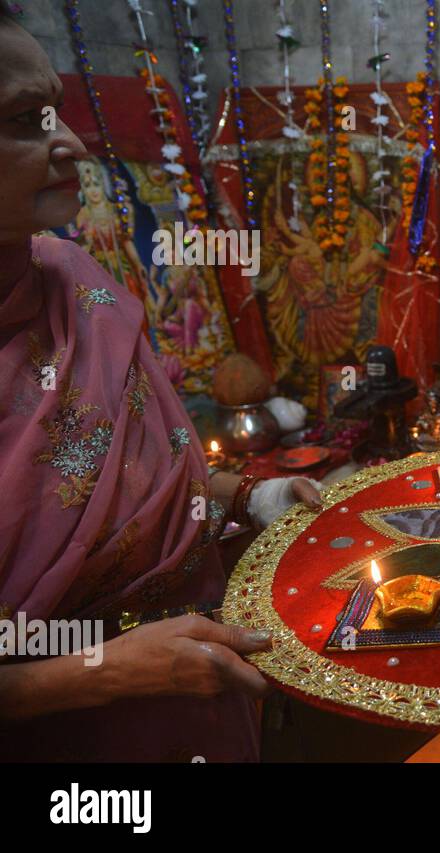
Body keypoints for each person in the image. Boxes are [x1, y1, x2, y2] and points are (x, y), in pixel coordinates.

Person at [0, 11, 320, 761]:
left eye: (57, 111)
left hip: (196, 705)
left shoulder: (75, 282)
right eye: (22, 120)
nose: (72, 143)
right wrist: (104, 672)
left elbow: (130, 482)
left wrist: (247, 496)